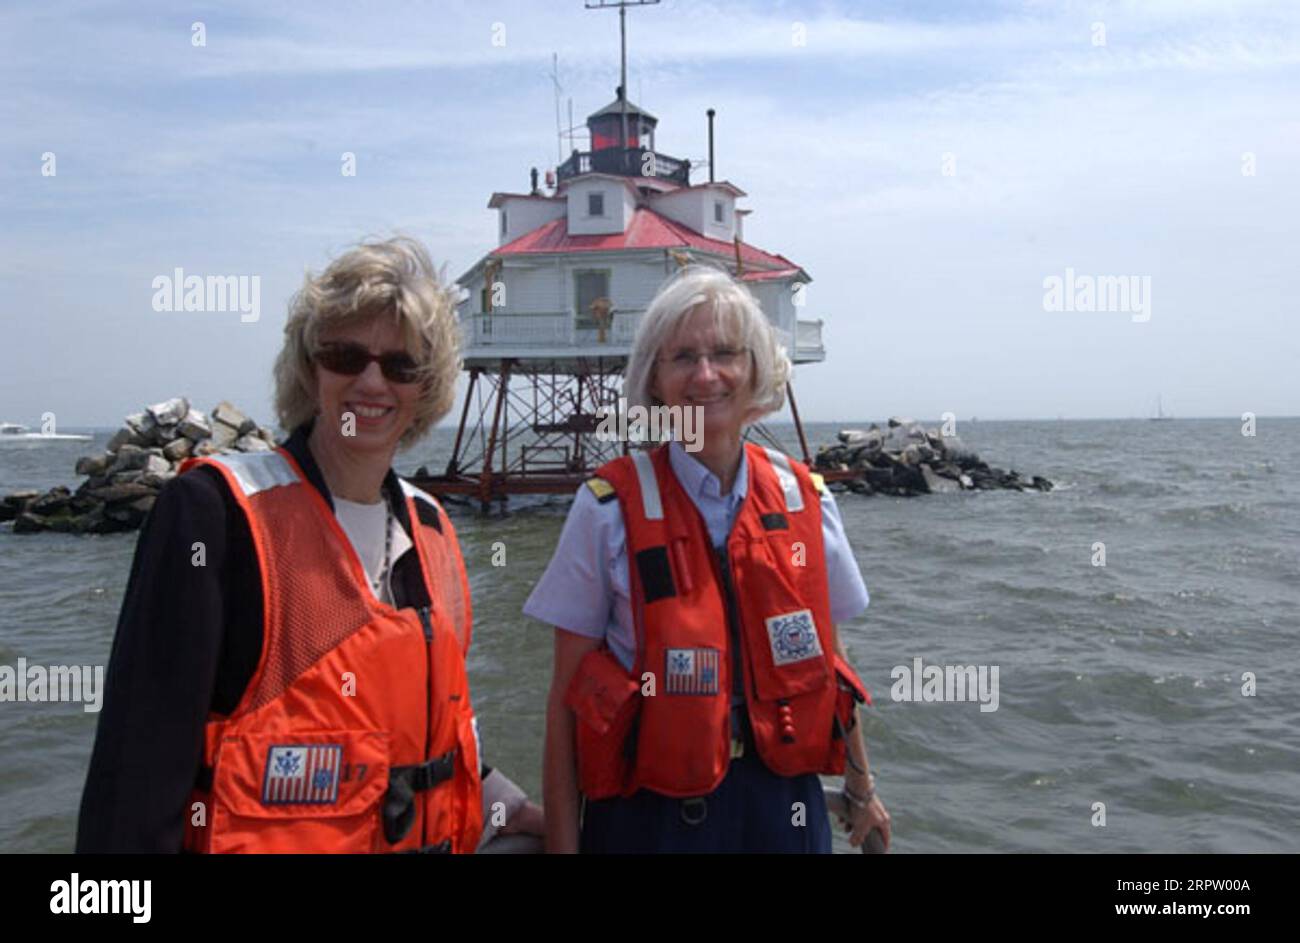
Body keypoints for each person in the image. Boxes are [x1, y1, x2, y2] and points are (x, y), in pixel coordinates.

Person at [77, 236, 542, 853]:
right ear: (308, 366)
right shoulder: (216, 518)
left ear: (426, 387)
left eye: (401, 365)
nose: (373, 382)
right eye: (346, 356)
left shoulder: (433, 529)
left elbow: (439, 736)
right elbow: (134, 780)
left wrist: (521, 813)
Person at [526, 266, 891, 853]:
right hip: (652, 822)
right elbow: (565, 704)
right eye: (682, 358)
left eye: (725, 353)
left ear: (755, 370)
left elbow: (831, 660)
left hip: (785, 811)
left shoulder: (807, 499)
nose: (706, 375)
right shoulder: (606, 511)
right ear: (655, 380)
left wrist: (861, 783)